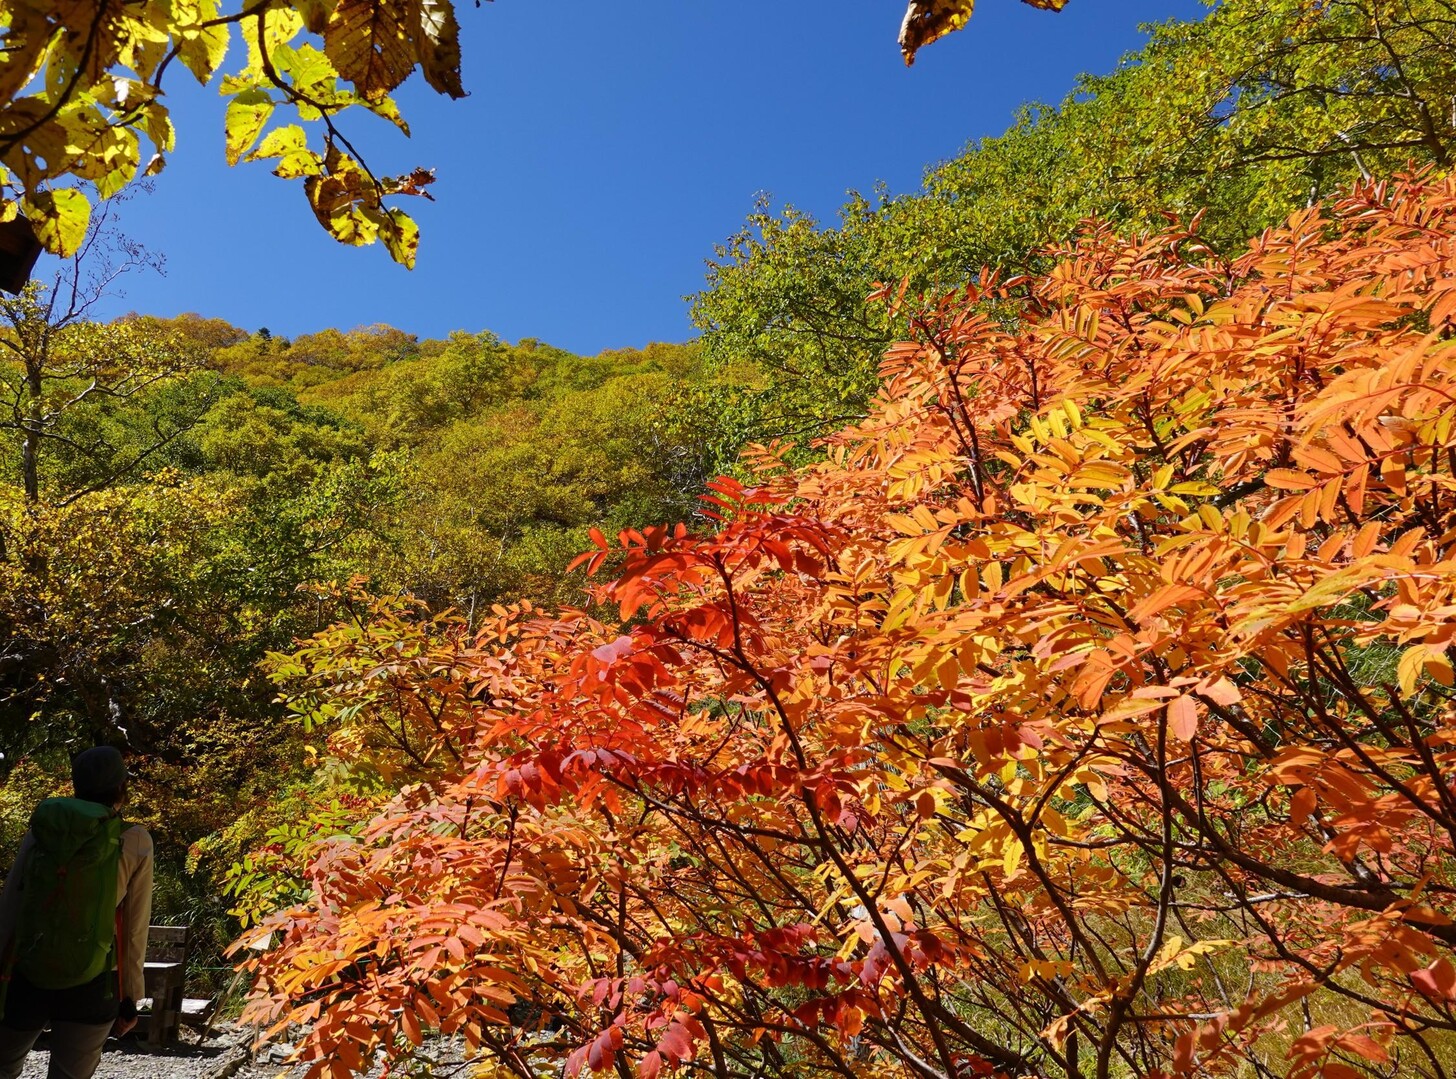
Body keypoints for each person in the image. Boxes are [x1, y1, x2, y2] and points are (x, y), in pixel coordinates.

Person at [0, 748, 154, 1079]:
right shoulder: (135, 839)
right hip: (93, 979)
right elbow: (133, 928)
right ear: (120, 788)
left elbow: (12, 900)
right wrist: (130, 997)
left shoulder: (44, 827)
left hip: (28, 971)